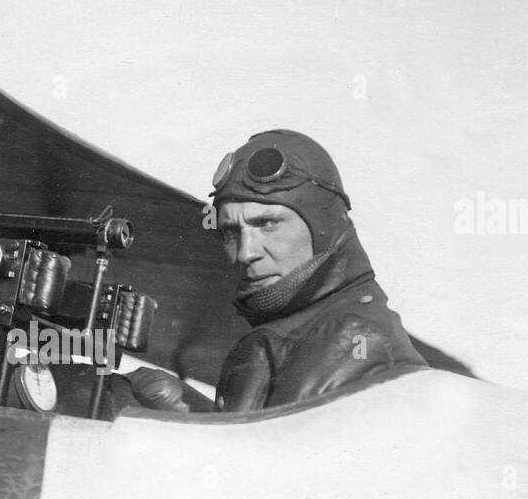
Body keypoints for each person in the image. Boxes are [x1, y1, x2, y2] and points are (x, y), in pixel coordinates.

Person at [128, 128, 426, 413]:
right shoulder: (306, 333)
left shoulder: (354, 342)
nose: (246, 252)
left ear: (323, 229)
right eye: (231, 230)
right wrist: (192, 416)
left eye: (267, 223)